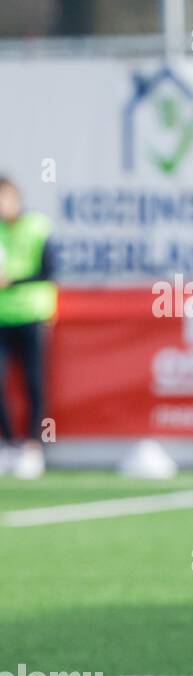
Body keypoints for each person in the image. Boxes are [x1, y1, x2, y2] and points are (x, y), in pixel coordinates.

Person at [0, 177, 57, 480]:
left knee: (34, 383)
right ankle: (9, 445)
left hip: (33, 315)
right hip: (1, 318)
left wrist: (13, 283)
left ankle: (35, 447)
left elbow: (49, 270)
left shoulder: (37, 226)